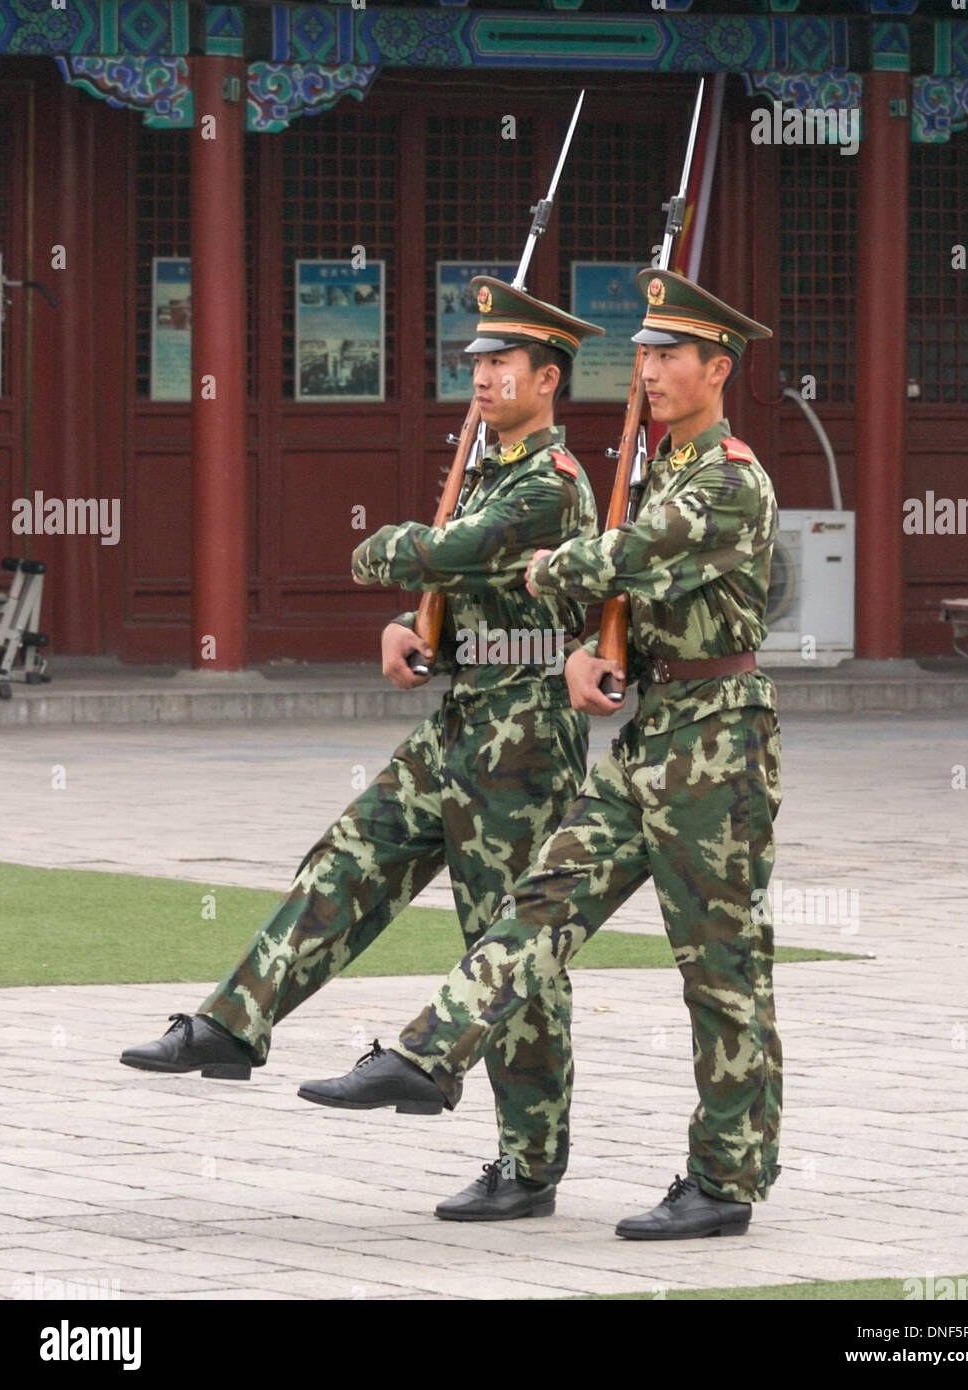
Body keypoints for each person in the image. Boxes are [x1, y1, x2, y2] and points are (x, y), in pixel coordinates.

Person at [299, 269, 783, 1242]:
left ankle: (724, 1181)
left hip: (716, 743)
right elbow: (638, 604)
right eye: (640, 354)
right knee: (540, 904)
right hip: (649, 736)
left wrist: (548, 567)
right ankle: (431, 1053)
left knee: (718, 969)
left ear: (714, 367)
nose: (644, 370)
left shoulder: (728, 477)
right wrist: (593, 651)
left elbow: (634, 557)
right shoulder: (660, 467)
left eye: (665, 355)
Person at [120, 277, 605, 1222]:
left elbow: (451, 552)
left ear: (548, 379)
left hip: (527, 737)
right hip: (464, 716)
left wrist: (388, 554)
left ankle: (531, 1161)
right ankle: (233, 1024)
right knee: (347, 859)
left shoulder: (551, 485)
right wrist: (407, 624)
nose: (485, 377)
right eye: (478, 363)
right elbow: (462, 582)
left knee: (504, 947)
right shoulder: (489, 468)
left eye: (503, 363)